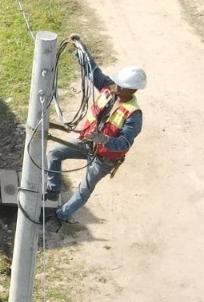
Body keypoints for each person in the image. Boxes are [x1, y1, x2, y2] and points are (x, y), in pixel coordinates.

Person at [41, 36, 145, 228]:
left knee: (83, 190)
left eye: (122, 86)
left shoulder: (134, 115)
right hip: (88, 143)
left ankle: (60, 217)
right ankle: (53, 190)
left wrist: (104, 139)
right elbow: (93, 71)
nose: (117, 87)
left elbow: (125, 143)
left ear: (133, 90)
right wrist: (80, 48)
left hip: (105, 159)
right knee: (54, 154)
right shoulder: (110, 90)